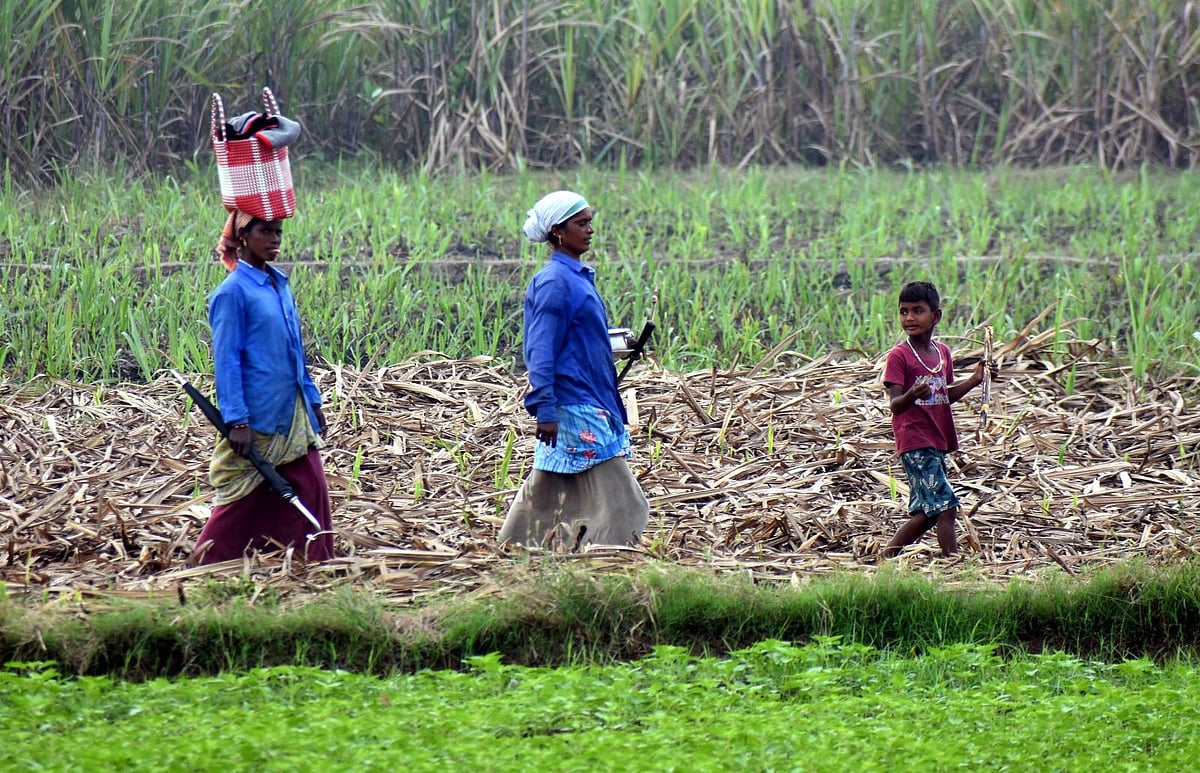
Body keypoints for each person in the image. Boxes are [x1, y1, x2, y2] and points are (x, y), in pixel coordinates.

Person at [497, 190, 650, 550]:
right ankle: (614, 553)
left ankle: (522, 545)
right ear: (558, 231)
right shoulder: (554, 282)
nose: (590, 229)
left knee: (551, 486)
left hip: (589, 396)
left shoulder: (578, 277)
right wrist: (546, 408)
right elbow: (541, 351)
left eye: (590, 221)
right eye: (581, 223)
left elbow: (578, 339)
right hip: (574, 403)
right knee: (621, 498)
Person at [190, 210, 335, 565]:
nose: (274, 239)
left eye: (278, 232)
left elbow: (294, 351)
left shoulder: (278, 284)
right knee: (243, 495)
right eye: (265, 232)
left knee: (309, 484)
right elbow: (227, 362)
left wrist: (312, 399)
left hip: (291, 407)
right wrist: (237, 421)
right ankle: (207, 564)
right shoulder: (232, 293)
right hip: (258, 413)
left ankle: (311, 561)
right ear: (243, 237)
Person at [879, 281, 997, 559]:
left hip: (936, 439)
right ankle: (953, 562)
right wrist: (912, 393)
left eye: (917, 311)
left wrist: (975, 379)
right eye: (903, 311)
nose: (909, 318)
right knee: (946, 507)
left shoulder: (942, 353)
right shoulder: (899, 356)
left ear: (936, 316)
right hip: (915, 440)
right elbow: (896, 405)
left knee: (926, 513)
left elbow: (946, 395)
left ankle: (885, 559)